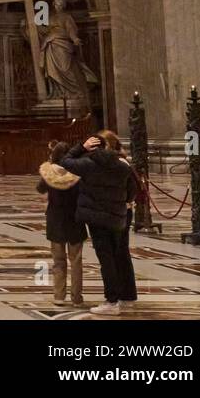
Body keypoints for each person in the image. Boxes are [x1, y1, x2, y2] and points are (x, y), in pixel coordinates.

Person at [60, 131, 138, 315]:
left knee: (106, 259)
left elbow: (65, 161)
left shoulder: (89, 164)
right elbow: (132, 189)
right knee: (119, 254)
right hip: (118, 216)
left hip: (97, 218)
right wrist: (123, 202)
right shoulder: (123, 165)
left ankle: (112, 301)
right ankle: (124, 297)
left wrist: (82, 147)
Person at [37, 141, 87, 306]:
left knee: (58, 261)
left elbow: (40, 189)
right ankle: (77, 298)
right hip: (74, 219)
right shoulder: (78, 175)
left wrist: (49, 169)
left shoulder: (49, 174)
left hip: (56, 219)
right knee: (76, 261)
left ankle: (59, 296)